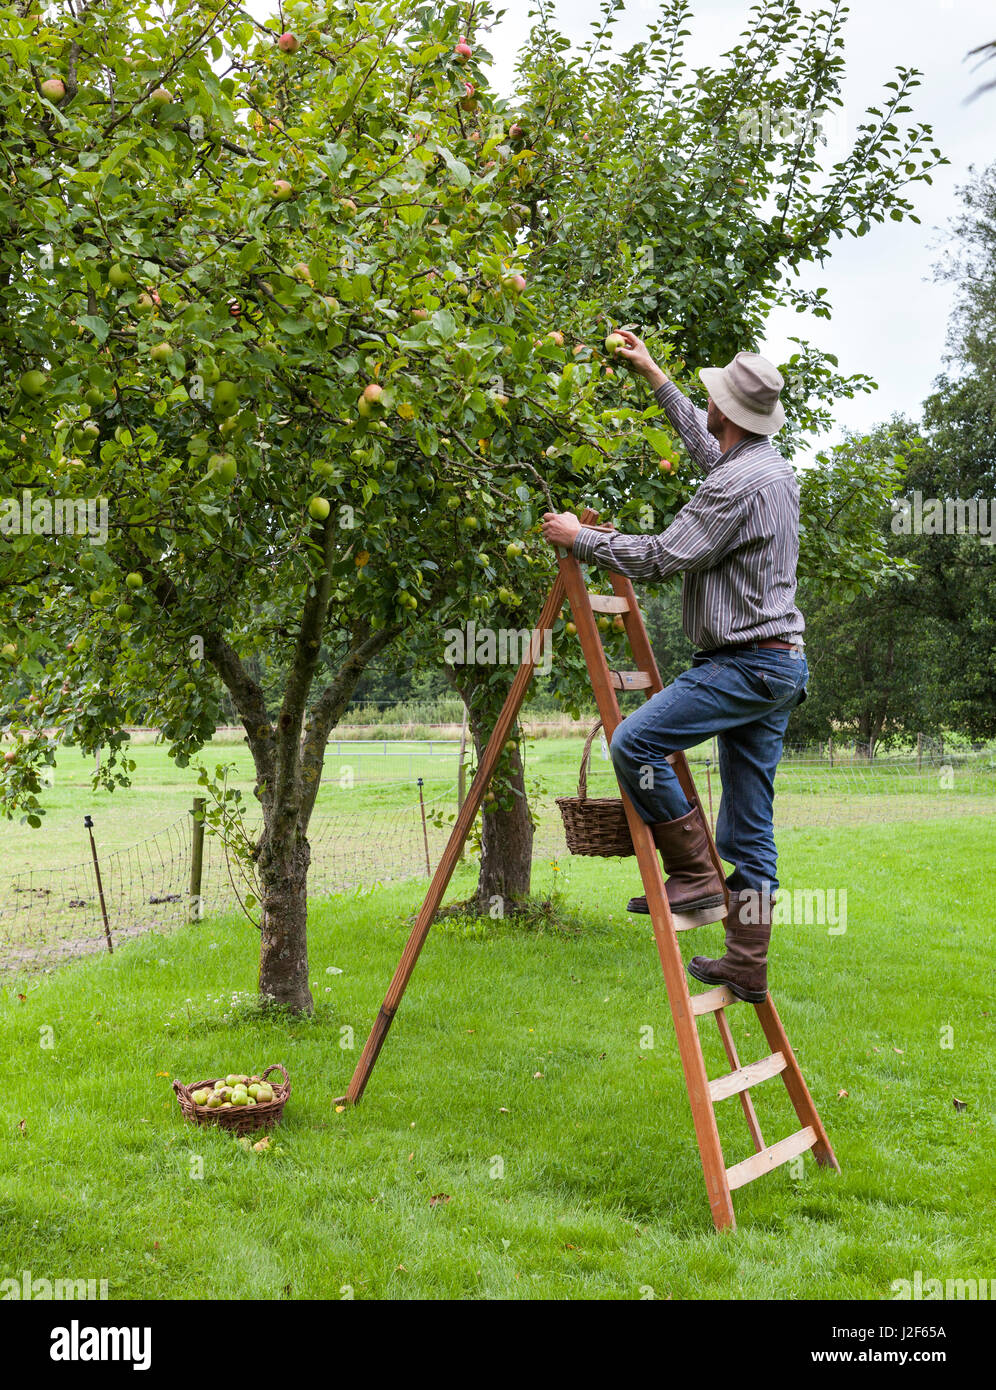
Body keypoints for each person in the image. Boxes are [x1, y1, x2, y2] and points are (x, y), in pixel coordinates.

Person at [540, 331, 807, 1002]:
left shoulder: (736, 486)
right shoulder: (761, 463)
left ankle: (690, 874)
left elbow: (663, 556)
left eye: (713, 399)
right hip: (777, 667)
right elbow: (703, 439)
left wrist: (582, 539)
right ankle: (749, 961)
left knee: (635, 743)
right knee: (749, 829)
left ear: (729, 412)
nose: (708, 407)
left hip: (744, 664)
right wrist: (652, 372)